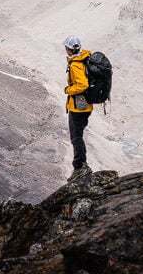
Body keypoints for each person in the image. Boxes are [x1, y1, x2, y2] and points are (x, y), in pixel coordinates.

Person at [63, 35, 93, 179]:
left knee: (76, 137)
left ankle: (80, 166)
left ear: (69, 49)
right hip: (85, 105)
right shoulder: (84, 58)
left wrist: (68, 90)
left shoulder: (75, 64)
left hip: (78, 107)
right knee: (78, 135)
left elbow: (82, 85)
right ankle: (81, 165)